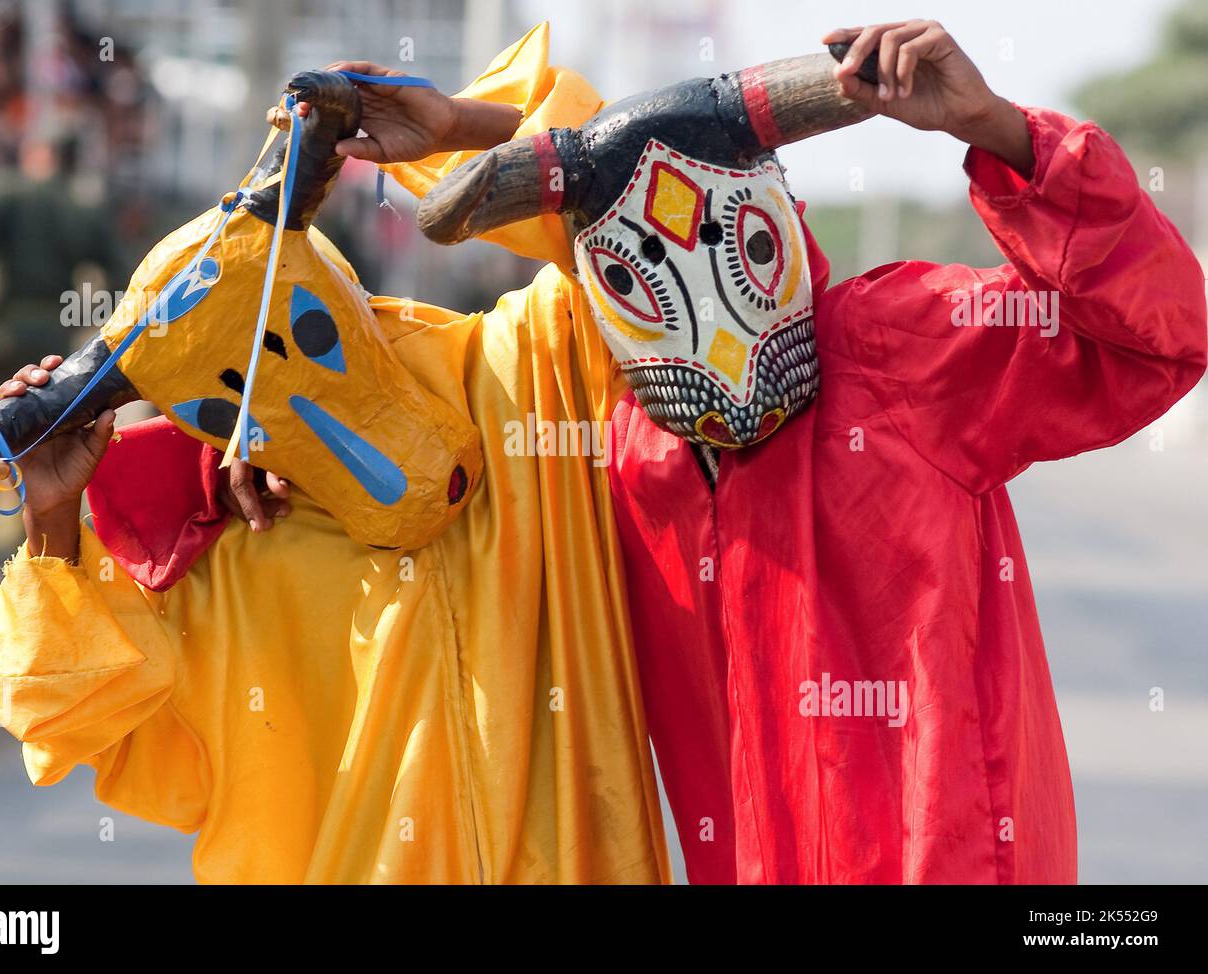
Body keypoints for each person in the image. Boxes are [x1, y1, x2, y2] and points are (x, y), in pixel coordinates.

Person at [309, 21, 1207, 882]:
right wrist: (260, 465)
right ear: (596, 290)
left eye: (733, 248)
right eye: (636, 279)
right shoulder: (621, 451)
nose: (713, 319)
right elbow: (421, 471)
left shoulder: (905, 349)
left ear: (777, 210)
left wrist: (999, 132)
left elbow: (1157, 337)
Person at [0, 33, 669, 884]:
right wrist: (53, 516)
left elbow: (660, 215)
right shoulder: (216, 558)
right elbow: (87, 727)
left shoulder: (528, 381)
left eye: (307, 331)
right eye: (232, 388)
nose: (286, 387)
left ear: (364, 302)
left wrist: (461, 128)